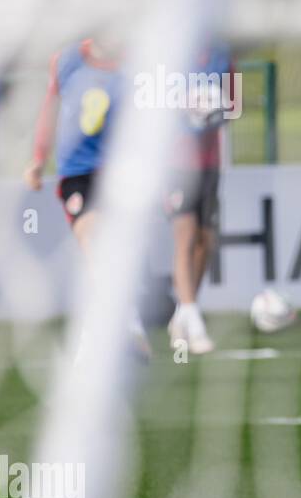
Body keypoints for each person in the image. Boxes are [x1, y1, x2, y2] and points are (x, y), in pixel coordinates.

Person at [23, 36, 151, 359]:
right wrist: (39, 159)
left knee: (113, 251)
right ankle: (125, 325)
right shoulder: (66, 61)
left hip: (118, 172)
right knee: (96, 247)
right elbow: (49, 111)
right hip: (77, 175)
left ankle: (99, 333)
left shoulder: (136, 64)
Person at [163, 43, 235, 355]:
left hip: (210, 160)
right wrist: (186, 110)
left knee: (207, 239)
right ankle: (195, 323)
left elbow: (234, 106)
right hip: (177, 162)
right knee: (187, 236)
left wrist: (214, 110)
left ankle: (183, 315)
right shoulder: (173, 51)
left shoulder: (224, 55)